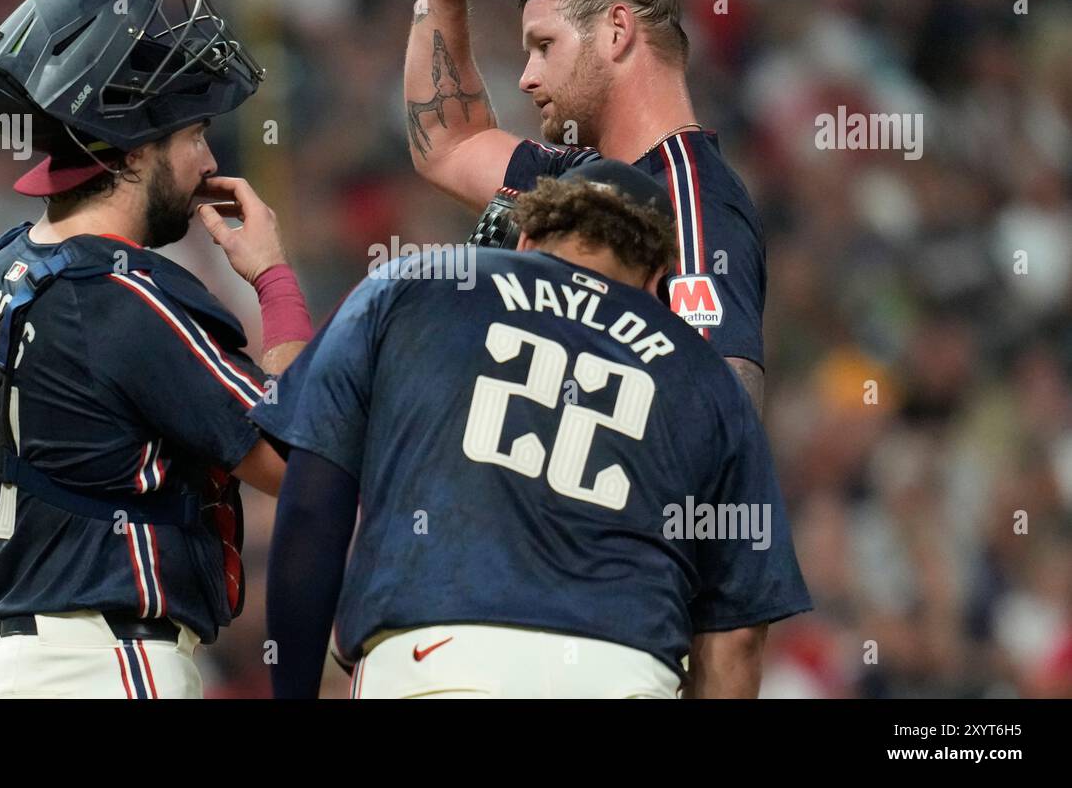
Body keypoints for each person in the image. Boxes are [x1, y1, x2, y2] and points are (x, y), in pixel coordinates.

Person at [256, 160, 810, 699]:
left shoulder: (409, 283)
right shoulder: (708, 377)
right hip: (624, 671)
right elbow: (736, 638)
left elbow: (310, 506)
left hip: (440, 658)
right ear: (655, 281)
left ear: (525, 240)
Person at [0, 0, 312, 698]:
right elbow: (301, 455)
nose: (208, 159)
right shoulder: (123, 291)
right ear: (135, 149)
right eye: (195, 132)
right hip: (108, 662)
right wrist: (274, 280)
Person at [404, 0, 768, 413]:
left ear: (617, 31)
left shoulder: (690, 199)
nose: (526, 78)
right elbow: (448, 142)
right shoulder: (581, 182)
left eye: (544, 46)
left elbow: (726, 415)